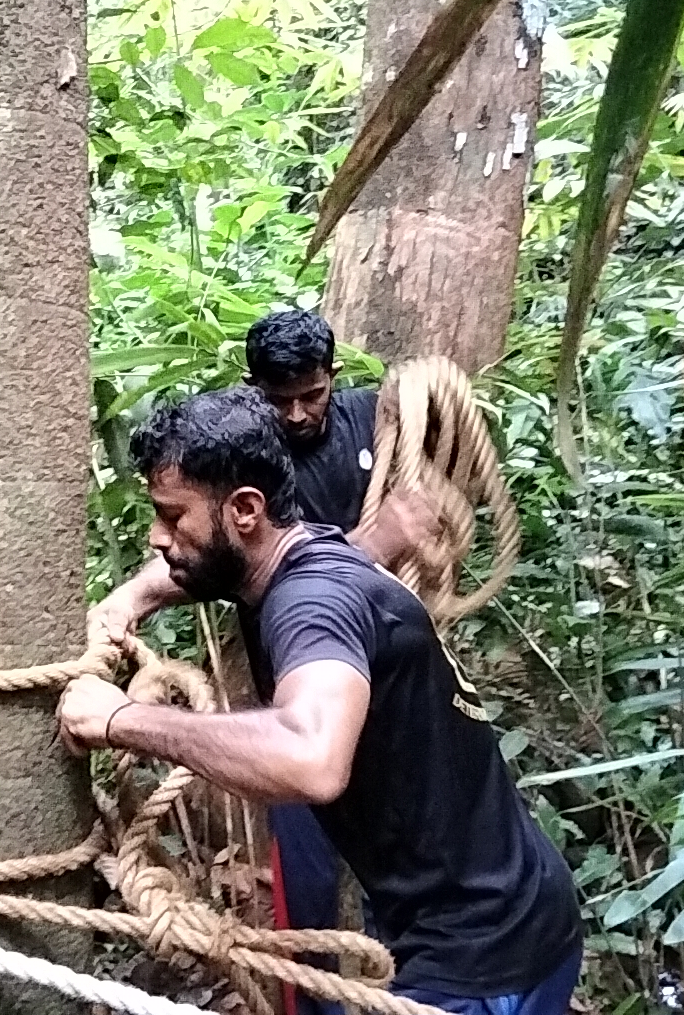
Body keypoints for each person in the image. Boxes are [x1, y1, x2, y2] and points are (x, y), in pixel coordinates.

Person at [59, 389, 582, 1015]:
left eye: (173, 517)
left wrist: (119, 720)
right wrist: (132, 599)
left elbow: (311, 760)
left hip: (484, 955)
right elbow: (206, 563)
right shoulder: (315, 555)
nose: (158, 537)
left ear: (246, 509)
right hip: (521, 910)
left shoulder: (310, 603)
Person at [90, 309, 433, 1013]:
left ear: (333, 377)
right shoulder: (246, 459)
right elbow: (232, 554)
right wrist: (129, 599)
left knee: (399, 878)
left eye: (313, 395)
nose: (300, 414)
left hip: (386, 708)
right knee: (305, 892)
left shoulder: (372, 420)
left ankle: (401, 991)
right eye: (282, 400)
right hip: (294, 707)